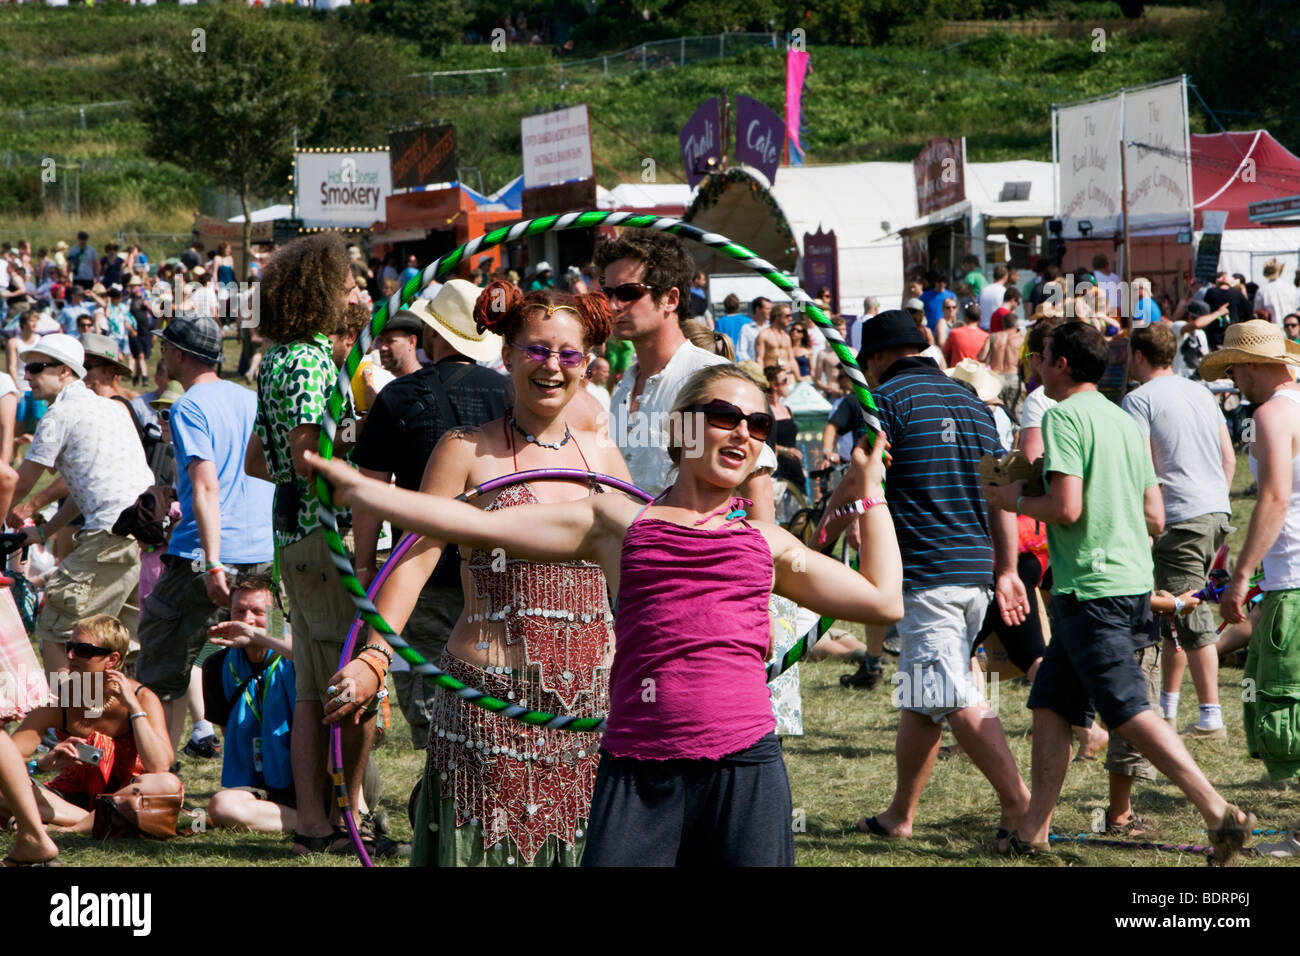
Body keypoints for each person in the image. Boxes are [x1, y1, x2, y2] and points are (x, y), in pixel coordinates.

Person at [314, 362, 904, 866]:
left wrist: (869, 487)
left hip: (746, 769)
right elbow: (472, 523)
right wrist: (358, 488)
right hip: (638, 770)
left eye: (759, 424)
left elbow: (883, 599)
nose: (744, 433)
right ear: (682, 428)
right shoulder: (617, 523)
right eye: (725, 415)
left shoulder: (765, 542)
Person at [336, 280, 629, 866]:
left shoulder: (602, 454)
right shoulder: (465, 450)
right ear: (508, 355)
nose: (552, 366)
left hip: (586, 710)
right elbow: (413, 561)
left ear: (587, 363)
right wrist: (372, 657)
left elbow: (637, 577)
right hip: (486, 706)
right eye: (537, 350)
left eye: (568, 354)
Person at [984, 320, 1256, 862]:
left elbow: (1066, 508)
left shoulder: (1062, 417)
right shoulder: (1122, 418)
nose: (1037, 363)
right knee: (1051, 705)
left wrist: (1010, 498)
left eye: (1043, 356)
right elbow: (1156, 515)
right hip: (1129, 582)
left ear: (1062, 365)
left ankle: (1217, 810)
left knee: (1128, 707)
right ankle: (1033, 830)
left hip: (1092, 587)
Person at [849, 310, 1030, 846]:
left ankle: (1020, 801)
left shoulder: (882, 405)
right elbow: (1004, 494)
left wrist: (841, 515)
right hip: (974, 575)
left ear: (879, 358)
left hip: (928, 574)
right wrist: (1008, 570)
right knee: (921, 696)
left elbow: (866, 480)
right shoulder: (977, 406)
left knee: (950, 694)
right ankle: (900, 815)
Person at [243, 233, 373, 856]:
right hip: (321, 541)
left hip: (299, 536)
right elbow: (301, 460)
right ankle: (331, 822)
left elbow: (261, 460)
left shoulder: (282, 358)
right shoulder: (307, 362)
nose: (354, 291)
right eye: (345, 281)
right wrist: (361, 446)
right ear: (319, 290)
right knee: (339, 689)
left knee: (309, 685)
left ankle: (318, 822)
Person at [350, 280, 509, 751]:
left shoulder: (397, 398)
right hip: (496, 573)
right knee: (490, 695)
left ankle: (443, 807)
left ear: (432, 333)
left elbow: (368, 493)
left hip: (420, 569)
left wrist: (364, 566)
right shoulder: (510, 395)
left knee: (431, 707)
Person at [133, 313, 275, 759]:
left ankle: (158, 780)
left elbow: (206, 483)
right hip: (261, 552)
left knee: (159, 672)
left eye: (163, 347)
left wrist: (212, 560)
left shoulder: (189, 405)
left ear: (178, 354)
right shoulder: (250, 398)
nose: (160, 354)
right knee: (270, 666)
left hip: (206, 556)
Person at [7, 334, 153, 676]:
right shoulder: (111, 407)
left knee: (59, 629)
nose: (26, 375)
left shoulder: (60, 415)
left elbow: (19, 483)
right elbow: (86, 487)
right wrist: (45, 531)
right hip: (141, 537)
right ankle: (114, 722)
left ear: (64, 372)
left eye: (35, 368)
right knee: (118, 643)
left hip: (110, 536)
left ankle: (71, 719)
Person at [1123, 323, 1235, 739]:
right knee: (1177, 609)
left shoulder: (1137, 400)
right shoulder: (1202, 392)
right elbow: (1228, 458)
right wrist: (1212, 501)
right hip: (1214, 512)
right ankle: (1167, 708)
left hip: (1178, 517)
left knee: (1191, 614)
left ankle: (1211, 719)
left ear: (1138, 355)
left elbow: (1137, 468)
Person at [1201, 322, 1300, 781]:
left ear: (1250, 364)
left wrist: (1239, 579)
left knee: (1283, 703)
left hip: (1291, 580)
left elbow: (1275, 498)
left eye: (1233, 366)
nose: (1234, 379)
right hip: (1290, 577)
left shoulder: (1271, 416)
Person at [3, 614, 181, 834]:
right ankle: (98, 822)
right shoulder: (61, 701)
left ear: (112, 659)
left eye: (83, 650)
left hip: (129, 793)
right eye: (69, 646)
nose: (69, 655)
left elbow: (159, 766)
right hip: (68, 799)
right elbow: (6, 761)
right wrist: (42, 765)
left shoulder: (142, 698)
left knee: (167, 785)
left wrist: (134, 709)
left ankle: (67, 829)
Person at [600, 231, 730, 496]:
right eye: (607, 292)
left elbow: (754, 489)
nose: (613, 305)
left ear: (671, 299)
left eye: (627, 292)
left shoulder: (712, 378)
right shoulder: (625, 386)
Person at [203, 574, 298, 833]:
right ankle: (314, 823)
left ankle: (328, 818)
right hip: (261, 785)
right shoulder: (216, 666)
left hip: (315, 774)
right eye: (239, 611)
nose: (247, 620)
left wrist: (261, 636)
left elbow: (313, 661)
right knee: (222, 806)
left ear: (277, 617)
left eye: (258, 612)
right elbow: (226, 729)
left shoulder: (298, 654)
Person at [375, 309, 424, 379]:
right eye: (380, 341)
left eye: (390, 341)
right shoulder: (378, 381)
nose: (382, 347)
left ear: (411, 342)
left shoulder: (425, 384)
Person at [978, 265, 1009, 332]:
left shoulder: (983, 290)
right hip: (997, 330)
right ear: (1005, 277)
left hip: (982, 329)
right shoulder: (1004, 291)